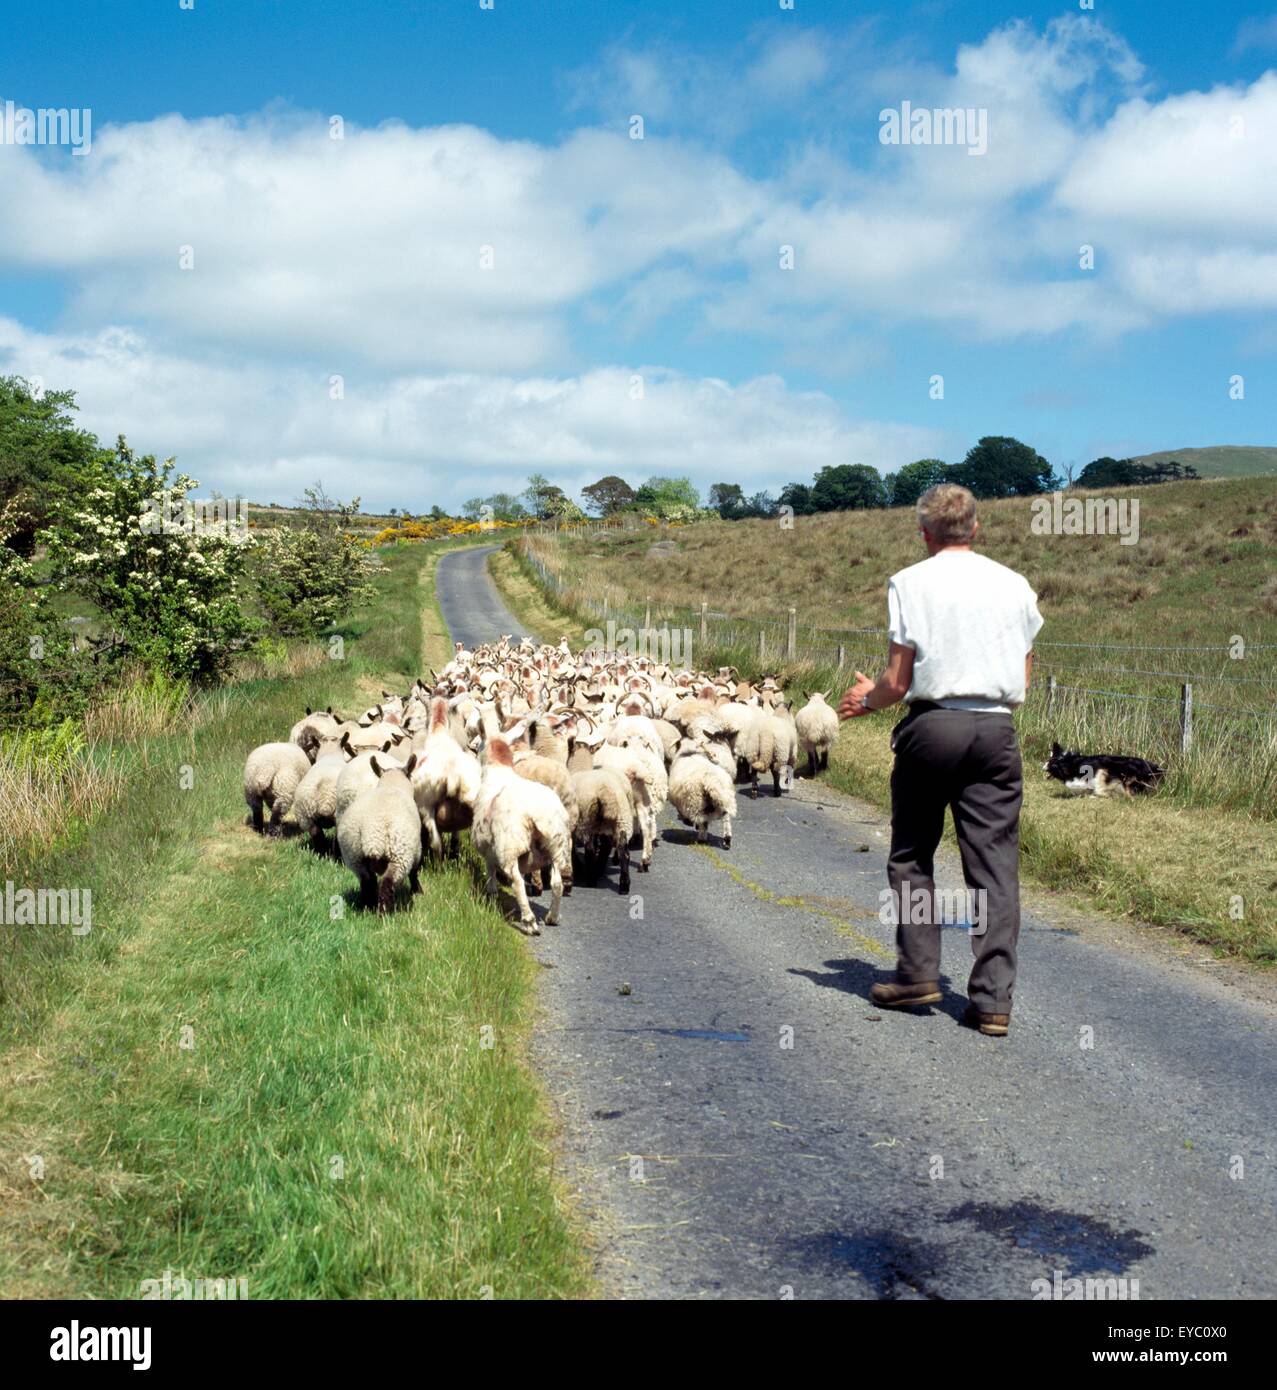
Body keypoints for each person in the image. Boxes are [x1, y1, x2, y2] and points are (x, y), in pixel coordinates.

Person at [838, 483, 1043, 1037]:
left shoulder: (910, 583)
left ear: (924, 533)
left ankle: (918, 972)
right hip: (997, 729)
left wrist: (866, 699)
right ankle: (993, 1000)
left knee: (911, 854)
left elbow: (898, 680)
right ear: (975, 528)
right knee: (994, 867)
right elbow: (1023, 677)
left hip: (933, 727)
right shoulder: (1015, 585)